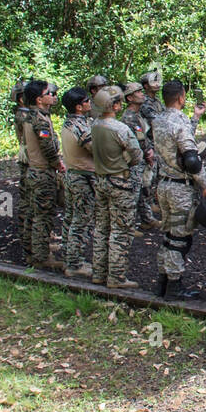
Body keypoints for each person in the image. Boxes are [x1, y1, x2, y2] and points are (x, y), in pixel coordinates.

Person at [152, 80, 206, 300]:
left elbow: (175, 144)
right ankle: (174, 286)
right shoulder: (179, 123)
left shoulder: (157, 121)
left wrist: (195, 118)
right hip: (180, 187)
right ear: (181, 98)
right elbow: (192, 159)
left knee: (168, 234)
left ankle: (162, 281)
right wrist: (205, 184)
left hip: (163, 184)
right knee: (180, 238)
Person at [90, 87, 143, 290]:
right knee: (121, 231)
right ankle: (116, 276)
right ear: (114, 105)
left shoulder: (95, 125)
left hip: (101, 180)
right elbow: (136, 155)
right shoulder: (120, 129)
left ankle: (99, 272)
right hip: (119, 182)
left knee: (102, 228)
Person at [22, 79, 66, 270]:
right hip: (42, 173)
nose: (53, 96)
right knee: (43, 215)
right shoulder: (39, 120)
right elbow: (47, 147)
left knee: (34, 213)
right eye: (50, 93)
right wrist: (58, 164)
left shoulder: (31, 116)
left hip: (34, 171)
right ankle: (41, 257)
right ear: (40, 99)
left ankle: (32, 251)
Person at [59, 87, 96, 278]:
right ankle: (74, 264)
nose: (90, 102)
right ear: (79, 106)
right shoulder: (81, 126)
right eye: (87, 100)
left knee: (71, 218)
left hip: (72, 175)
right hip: (82, 177)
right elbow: (94, 148)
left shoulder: (69, 123)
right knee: (81, 221)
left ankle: (67, 255)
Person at [119, 81, 159, 229]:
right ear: (129, 98)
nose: (142, 94)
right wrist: (148, 152)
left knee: (145, 190)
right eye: (138, 92)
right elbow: (138, 140)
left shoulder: (139, 114)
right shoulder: (129, 117)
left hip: (143, 158)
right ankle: (128, 226)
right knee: (134, 193)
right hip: (135, 160)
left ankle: (147, 219)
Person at [12, 80, 33, 255]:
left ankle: (33, 240)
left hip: (29, 159)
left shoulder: (25, 114)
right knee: (29, 203)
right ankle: (29, 242)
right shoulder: (24, 116)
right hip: (30, 161)